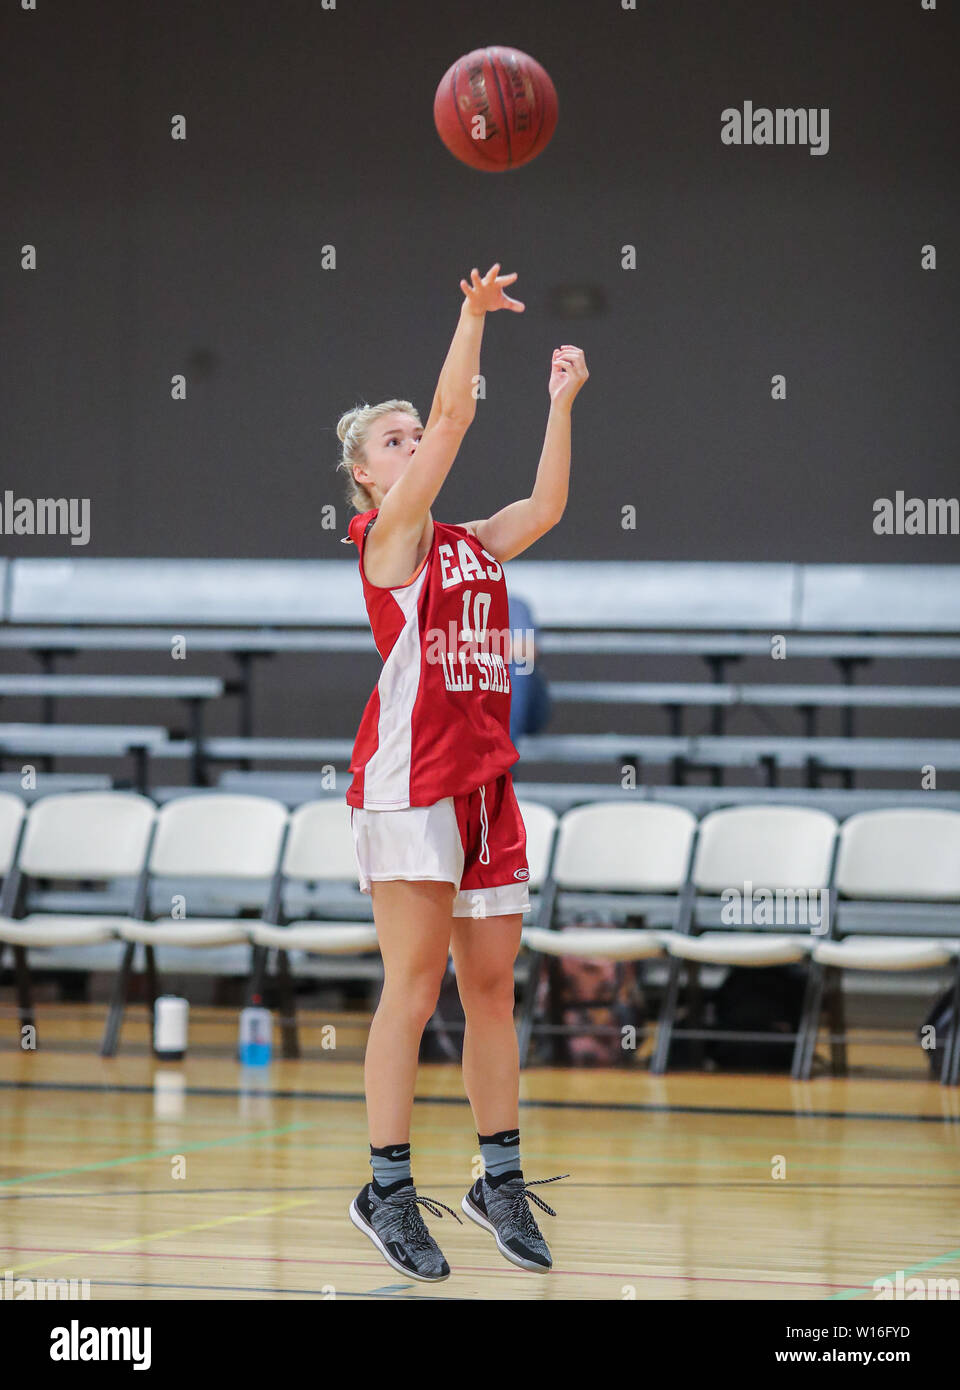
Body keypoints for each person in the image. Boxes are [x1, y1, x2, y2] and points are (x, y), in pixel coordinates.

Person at [337, 263, 588, 1281]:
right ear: (365, 476)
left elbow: (549, 505)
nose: (411, 443)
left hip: (486, 785)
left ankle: (498, 1178)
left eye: (410, 435)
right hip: (411, 783)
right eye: (387, 441)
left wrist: (560, 404)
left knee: (490, 989)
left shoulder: (469, 544)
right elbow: (450, 416)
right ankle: (387, 1189)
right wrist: (470, 316)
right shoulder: (390, 538)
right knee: (410, 989)